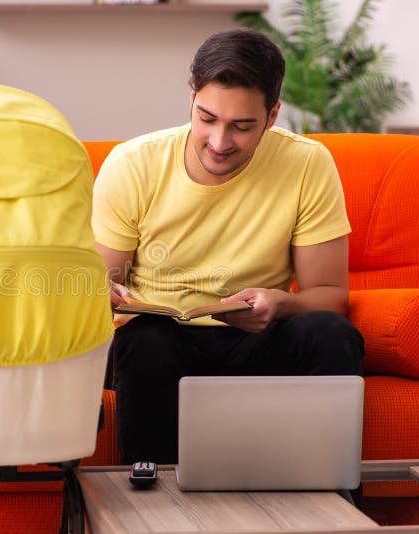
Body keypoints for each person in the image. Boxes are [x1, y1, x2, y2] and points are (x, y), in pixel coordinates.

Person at [92, 28, 365, 466]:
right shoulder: (133, 164)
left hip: (257, 340)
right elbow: (101, 285)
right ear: (191, 98)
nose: (219, 143)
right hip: (160, 343)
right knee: (146, 342)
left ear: (272, 115)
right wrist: (99, 293)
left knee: (329, 334)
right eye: (207, 119)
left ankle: (329, 502)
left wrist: (279, 303)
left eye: (241, 127)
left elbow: (330, 296)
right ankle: (153, 507)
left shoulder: (307, 163)